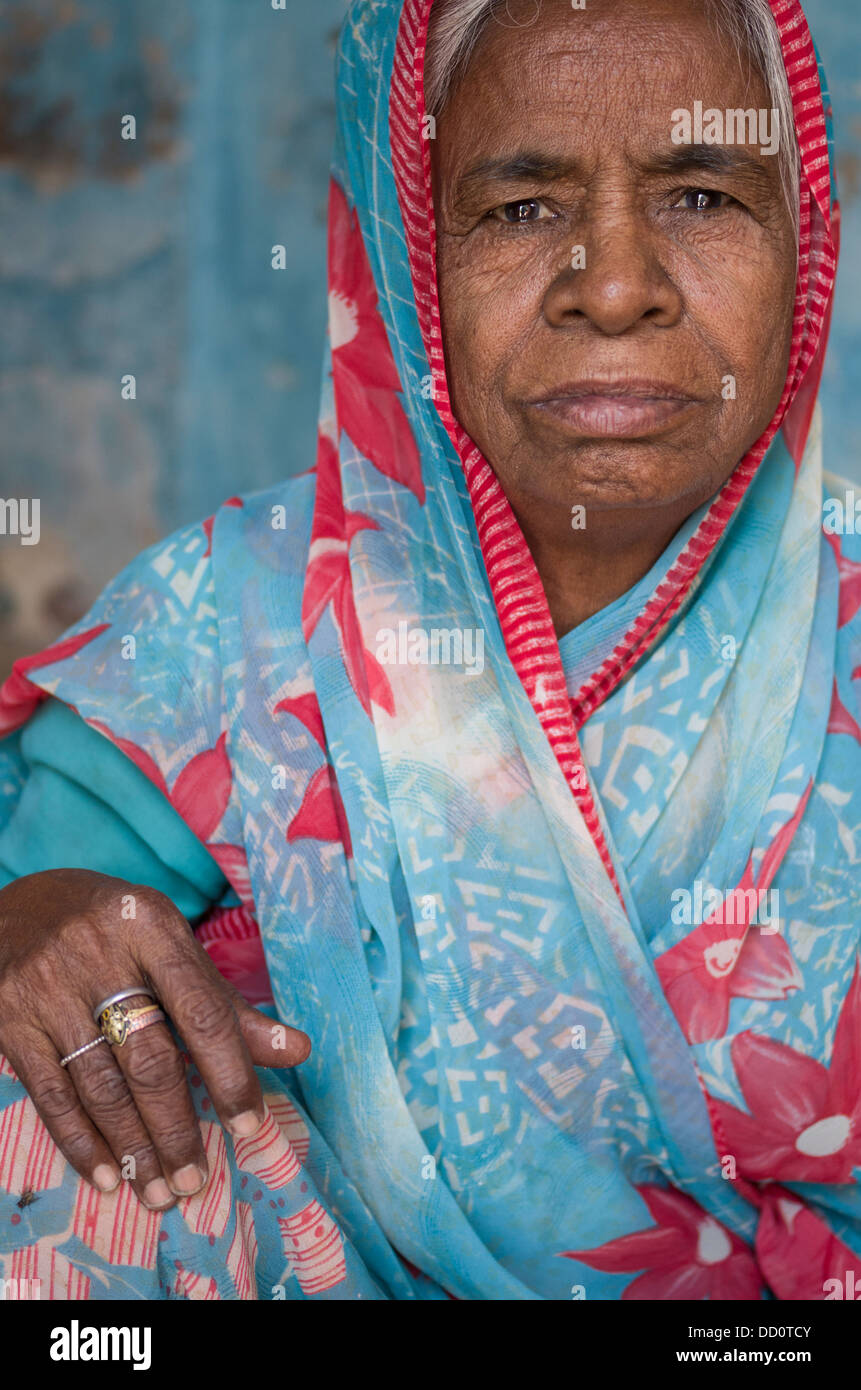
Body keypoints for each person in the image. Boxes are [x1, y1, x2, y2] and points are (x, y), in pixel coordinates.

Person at [0, 0, 857, 1300]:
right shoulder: (234, 620)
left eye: (698, 193)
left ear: (801, 243)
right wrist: (24, 925)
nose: (614, 284)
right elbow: (35, 896)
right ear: (400, 253)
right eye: (519, 208)